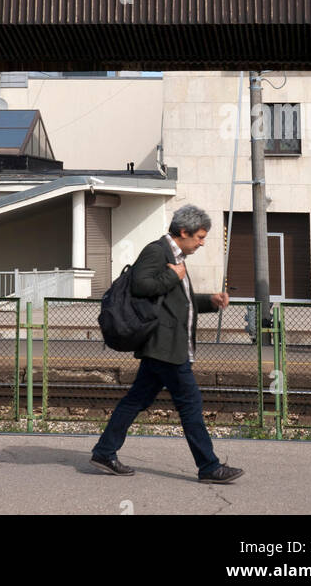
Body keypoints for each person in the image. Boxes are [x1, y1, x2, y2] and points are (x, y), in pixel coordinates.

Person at [91, 204, 243, 483]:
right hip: (165, 348)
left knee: (136, 400)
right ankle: (209, 466)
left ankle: (104, 451)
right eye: (199, 237)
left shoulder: (177, 259)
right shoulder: (157, 252)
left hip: (165, 347)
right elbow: (140, 286)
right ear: (183, 232)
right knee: (190, 404)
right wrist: (172, 275)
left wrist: (209, 301)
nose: (202, 242)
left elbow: (178, 303)